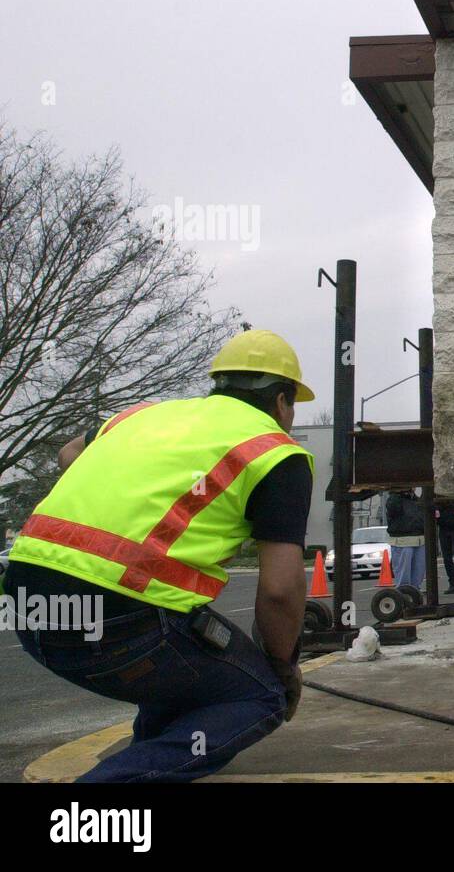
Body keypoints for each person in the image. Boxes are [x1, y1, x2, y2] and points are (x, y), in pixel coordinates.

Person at [3, 329, 315, 782]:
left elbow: (70, 453)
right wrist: (282, 666)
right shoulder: (275, 452)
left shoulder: (142, 416)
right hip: (119, 626)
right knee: (257, 695)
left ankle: (144, 766)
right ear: (283, 401)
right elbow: (281, 591)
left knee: (189, 668)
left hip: (27, 606)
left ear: (218, 384)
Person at [385, 489, 426, 591]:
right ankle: (403, 594)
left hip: (419, 540)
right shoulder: (394, 499)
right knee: (404, 574)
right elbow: (393, 509)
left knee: (418, 572)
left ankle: (414, 593)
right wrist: (398, 492)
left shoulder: (416, 500)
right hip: (402, 541)